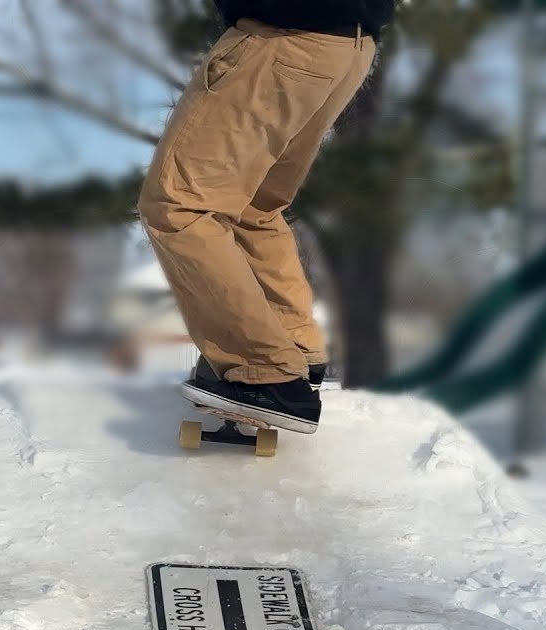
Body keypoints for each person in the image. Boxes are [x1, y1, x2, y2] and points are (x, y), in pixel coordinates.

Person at [137, 0, 395, 435]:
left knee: (179, 203)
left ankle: (263, 371)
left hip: (284, 34)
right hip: (345, 47)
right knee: (254, 204)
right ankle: (292, 346)